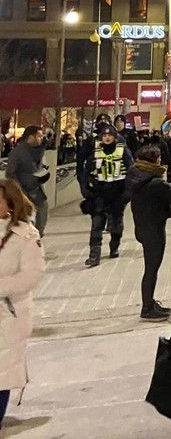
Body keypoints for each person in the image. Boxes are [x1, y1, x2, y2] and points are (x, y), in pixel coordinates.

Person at [0, 179, 46, 430]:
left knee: (3, 369)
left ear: (10, 203)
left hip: (10, 313)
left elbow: (31, 276)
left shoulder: (25, 235)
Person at [124, 144, 171, 320]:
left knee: (151, 268)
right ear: (153, 160)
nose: (161, 160)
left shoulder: (136, 176)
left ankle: (150, 302)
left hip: (143, 226)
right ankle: (147, 307)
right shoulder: (154, 182)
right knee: (152, 269)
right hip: (153, 229)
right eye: (158, 158)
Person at [83, 123, 134, 267]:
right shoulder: (95, 152)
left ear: (115, 137)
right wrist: (86, 190)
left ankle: (114, 246)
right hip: (100, 192)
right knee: (97, 224)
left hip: (118, 192)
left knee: (116, 223)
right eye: (104, 136)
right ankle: (94, 255)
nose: (106, 138)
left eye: (109, 135)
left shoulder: (123, 151)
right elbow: (87, 172)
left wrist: (128, 192)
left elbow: (131, 171)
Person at [4, 126, 49, 236]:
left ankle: (37, 235)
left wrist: (42, 171)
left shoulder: (36, 150)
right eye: (39, 136)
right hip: (24, 192)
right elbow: (10, 174)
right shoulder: (17, 152)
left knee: (42, 211)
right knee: (27, 219)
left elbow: (35, 167)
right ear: (30, 137)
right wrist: (20, 191)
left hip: (37, 191)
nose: (41, 138)